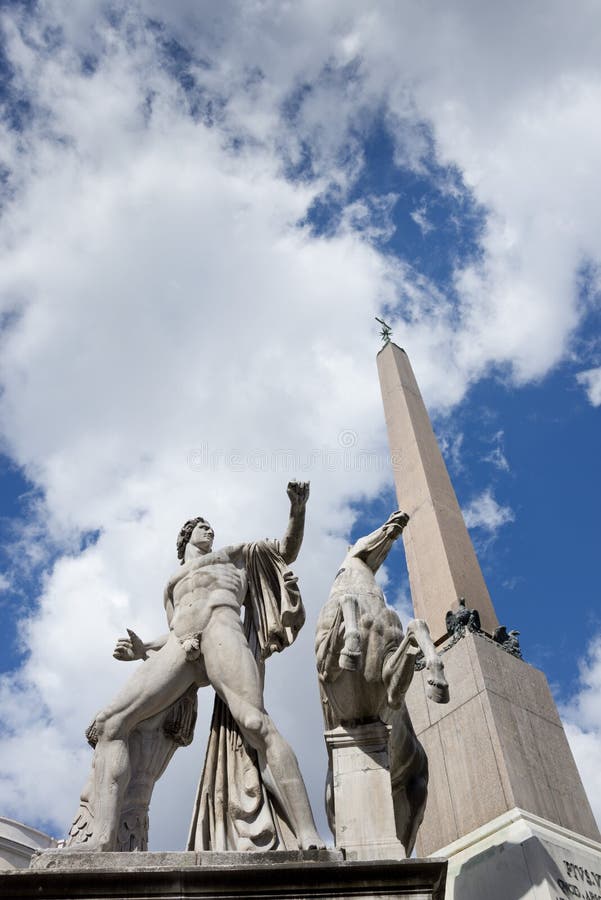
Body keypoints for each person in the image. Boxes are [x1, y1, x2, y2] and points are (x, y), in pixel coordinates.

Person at [68, 481, 322, 852]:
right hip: (179, 646)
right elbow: (172, 629)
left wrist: (297, 510)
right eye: (202, 526)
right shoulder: (171, 583)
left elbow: (287, 550)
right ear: (187, 536)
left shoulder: (235, 556)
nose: (210, 530)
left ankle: (309, 833)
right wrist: (142, 649)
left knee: (255, 723)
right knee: (110, 723)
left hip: (222, 628)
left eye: (211, 528)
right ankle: (103, 839)